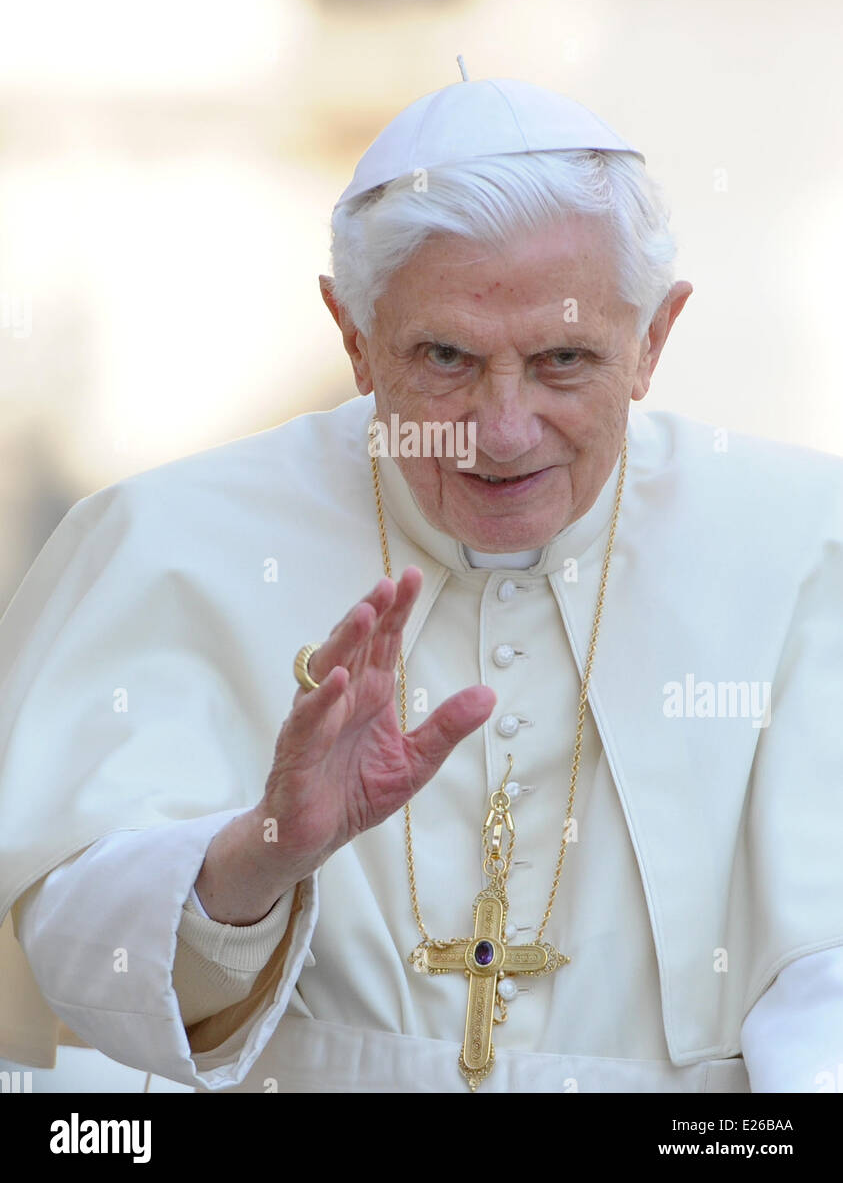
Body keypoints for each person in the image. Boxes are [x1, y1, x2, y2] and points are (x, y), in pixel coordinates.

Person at [1, 69, 842, 1094]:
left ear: (653, 339)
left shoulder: (806, 548)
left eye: (565, 360)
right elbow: (89, 972)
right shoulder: (167, 541)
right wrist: (260, 855)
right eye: (445, 357)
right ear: (353, 338)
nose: (503, 431)